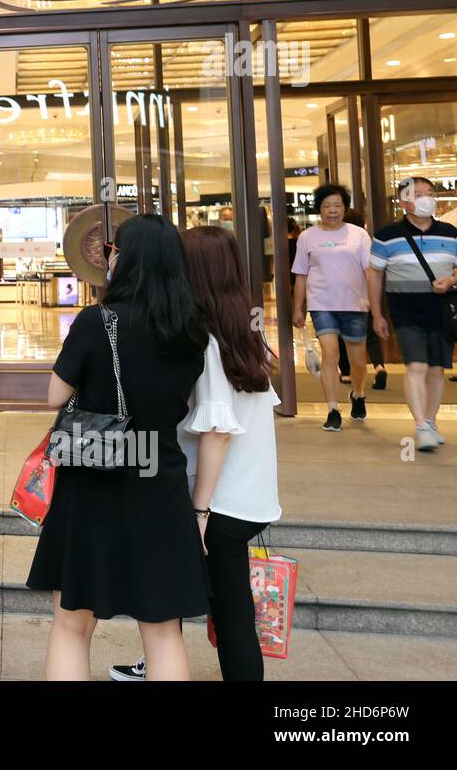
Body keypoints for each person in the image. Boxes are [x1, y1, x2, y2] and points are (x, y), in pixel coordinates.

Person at [27, 214, 209, 681]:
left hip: (93, 479)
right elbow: (185, 405)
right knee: (164, 631)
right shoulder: (191, 330)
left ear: (123, 259)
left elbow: (55, 397)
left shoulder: (95, 321)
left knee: (72, 625)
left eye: (113, 250)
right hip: (160, 482)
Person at [110, 227, 281, 682]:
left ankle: (169, 664)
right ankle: (159, 661)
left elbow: (217, 432)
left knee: (229, 612)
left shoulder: (207, 341)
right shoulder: (246, 332)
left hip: (218, 502)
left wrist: (199, 511)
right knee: (213, 598)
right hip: (249, 497)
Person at [368, 177, 457, 452]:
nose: (426, 198)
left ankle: (431, 421)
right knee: (416, 366)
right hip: (405, 312)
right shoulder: (386, 235)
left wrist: (451, 282)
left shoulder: (450, 232)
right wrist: (377, 314)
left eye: (430, 193)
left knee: (435, 370)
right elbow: (374, 275)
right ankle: (420, 425)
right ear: (403, 200)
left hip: (442, 311)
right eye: (418, 194)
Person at [290, 183, 373, 431]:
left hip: (355, 304)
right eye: (327, 206)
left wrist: (373, 302)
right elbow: (301, 275)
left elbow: (370, 272)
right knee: (330, 354)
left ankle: (358, 394)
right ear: (319, 210)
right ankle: (332, 409)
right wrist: (298, 308)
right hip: (322, 303)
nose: (333, 211)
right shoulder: (307, 237)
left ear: (345, 208)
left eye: (337, 206)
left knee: (358, 361)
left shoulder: (359, 235)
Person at [340, 208, 387, 390]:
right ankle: (379, 367)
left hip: (345, 297)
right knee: (372, 336)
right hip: (367, 294)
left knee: (343, 335)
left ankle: (345, 372)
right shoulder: (367, 240)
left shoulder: (342, 243)